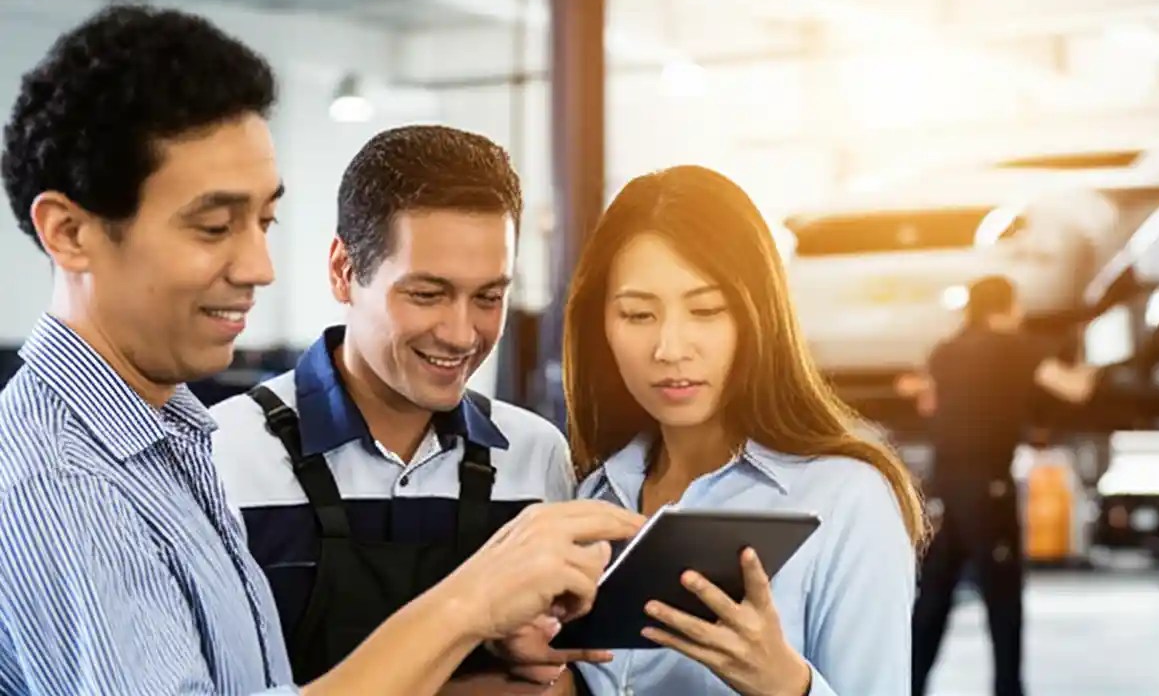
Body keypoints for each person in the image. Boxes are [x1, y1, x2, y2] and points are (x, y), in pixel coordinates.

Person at [0, 3, 641, 696]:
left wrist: (487, 651)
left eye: (265, 221)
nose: (260, 267)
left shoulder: (170, 444)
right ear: (69, 233)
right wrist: (467, 603)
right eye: (214, 227)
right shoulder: (63, 483)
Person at [210, 124, 600, 690]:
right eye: (427, 294)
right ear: (344, 272)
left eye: (489, 297)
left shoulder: (535, 456)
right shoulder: (223, 457)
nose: (462, 333)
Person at [558, 165, 927, 696]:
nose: (670, 348)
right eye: (638, 315)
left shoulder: (846, 498)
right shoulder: (592, 496)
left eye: (706, 310)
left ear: (758, 317)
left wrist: (786, 685)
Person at [900, 275, 1098, 696]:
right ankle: (1008, 689)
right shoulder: (1014, 346)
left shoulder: (945, 349)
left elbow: (927, 403)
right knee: (1002, 597)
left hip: (945, 486)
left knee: (934, 593)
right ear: (1006, 307)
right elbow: (1074, 388)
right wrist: (1093, 359)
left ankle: (907, 685)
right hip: (989, 486)